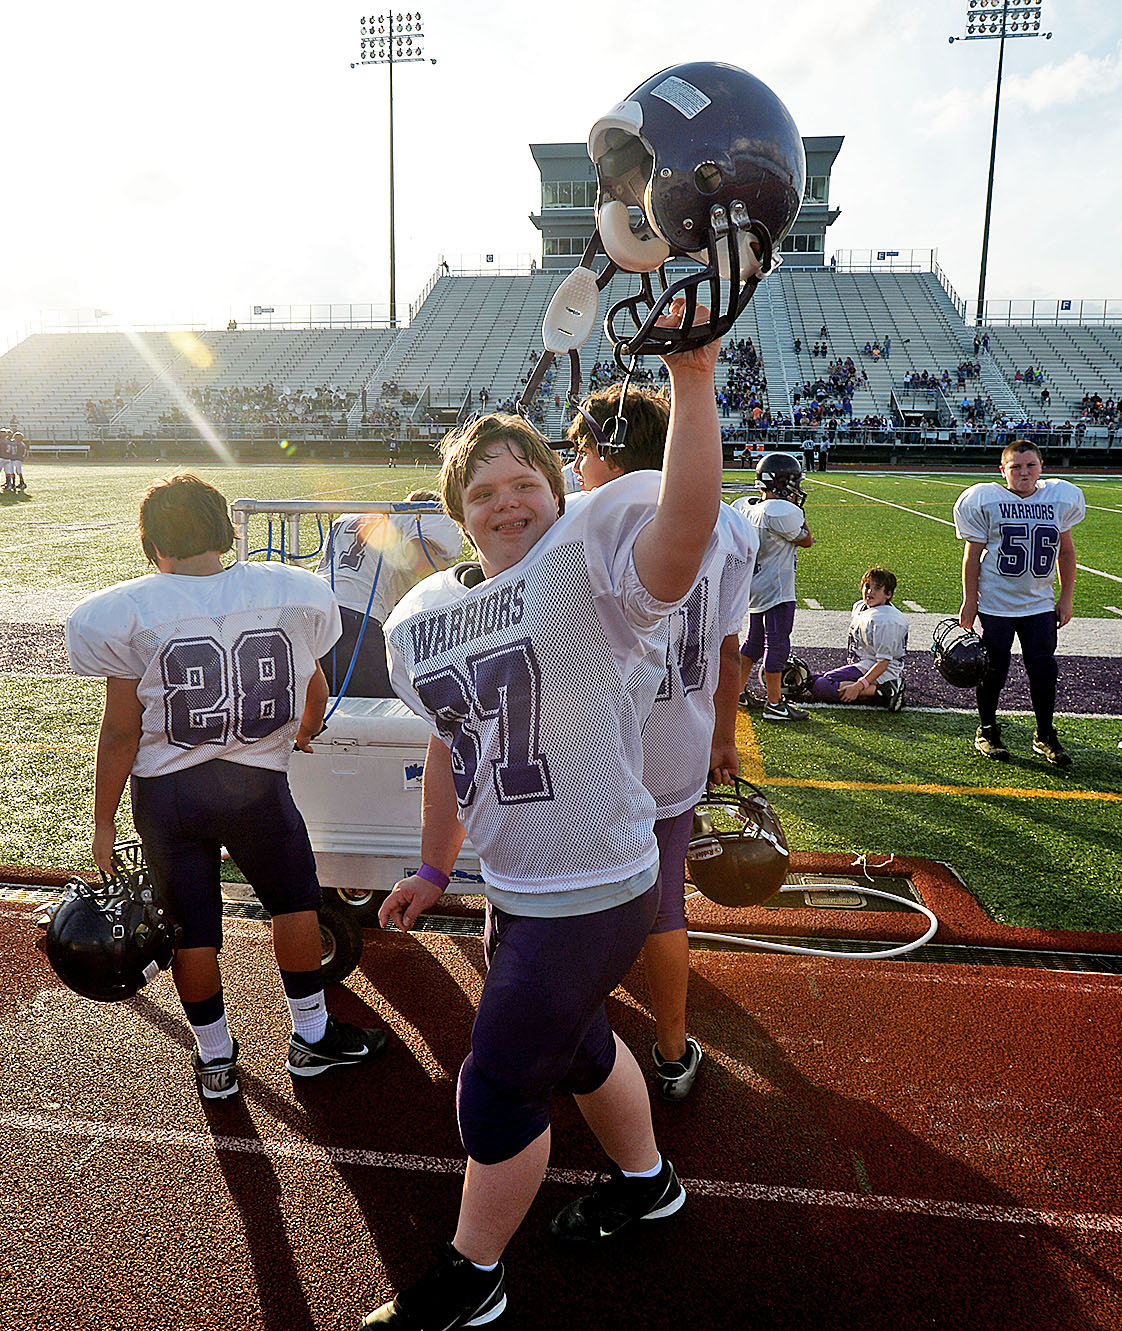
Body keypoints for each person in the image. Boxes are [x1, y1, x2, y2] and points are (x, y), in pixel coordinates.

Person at [370, 297, 719, 1327]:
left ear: (560, 493)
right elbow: (452, 744)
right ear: (457, 510)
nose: (507, 501)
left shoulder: (593, 566)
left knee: (492, 1089)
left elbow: (682, 527)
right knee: (574, 1048)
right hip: (514, 882)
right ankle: (648, 1182)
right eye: (484, 491)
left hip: (595, 881)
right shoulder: (424, 617)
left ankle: (472, 1279)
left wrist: (690, 385)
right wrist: (435, 868)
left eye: (527, 483)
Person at [63, 471, 388, 1102]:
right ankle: (312, 1039)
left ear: (151, 541)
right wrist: (302, 732)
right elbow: (313, 688)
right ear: (226, 530)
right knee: (294, 903)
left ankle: (214, 1058)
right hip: (257, 784)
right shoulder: (294, 590)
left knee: (193, 928)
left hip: (169, 793)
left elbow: (122, 732)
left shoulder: (124, 610)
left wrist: (101, 820)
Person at [566, 378, 754, 1103]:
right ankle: (672, 1054)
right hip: (682, 736)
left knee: (583, 897)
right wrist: (724, 737)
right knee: (664, 902)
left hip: (606, 740)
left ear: (610, 455)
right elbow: (731, 649)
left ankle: (573, 1032)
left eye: (583, 450)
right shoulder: (730, 526)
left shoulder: (588, 521)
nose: (576, 466)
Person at [955, 439, 1085, 766]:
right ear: (1003, 470)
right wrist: (970, 600)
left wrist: (1066, 597)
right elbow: (972, 557)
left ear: (1041, 468)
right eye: (1016, 467)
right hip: (996, 604)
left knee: (1043, 671)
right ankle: (987, 730)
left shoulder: (1058, 499)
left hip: (1039, 604)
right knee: (992, 670)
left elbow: (1066, 552)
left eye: (1030, 466)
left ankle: (1045, 735)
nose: (1023, 472)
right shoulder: (988, 499)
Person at [315, 490, 462, 698]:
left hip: (313, 614)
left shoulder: (348, 518)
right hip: (356, 621)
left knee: (319, 708)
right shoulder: (427, 515)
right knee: (388, 709)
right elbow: (421, 562)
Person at [734, 451, 814, 721]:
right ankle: (775, 703)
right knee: (777, 644)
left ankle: (738, 691)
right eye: (792, 482)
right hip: (777, 588)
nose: (796, 488)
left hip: (755, 584)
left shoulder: (747, 506)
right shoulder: (781, 511)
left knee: (754, 642)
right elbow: (806, 539)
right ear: (781, 482)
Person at [801, 567, 909, 709]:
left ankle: (884, 689)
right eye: (867, 586)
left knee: (822, 686)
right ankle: (875, 693)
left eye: (877, 589)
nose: (869, 592)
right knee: (813, 680)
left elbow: (884, 663)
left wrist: (858, 686)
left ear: (888, 594)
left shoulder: (887, 620)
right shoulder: (860, 606)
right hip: (865, 663)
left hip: (883, 670)